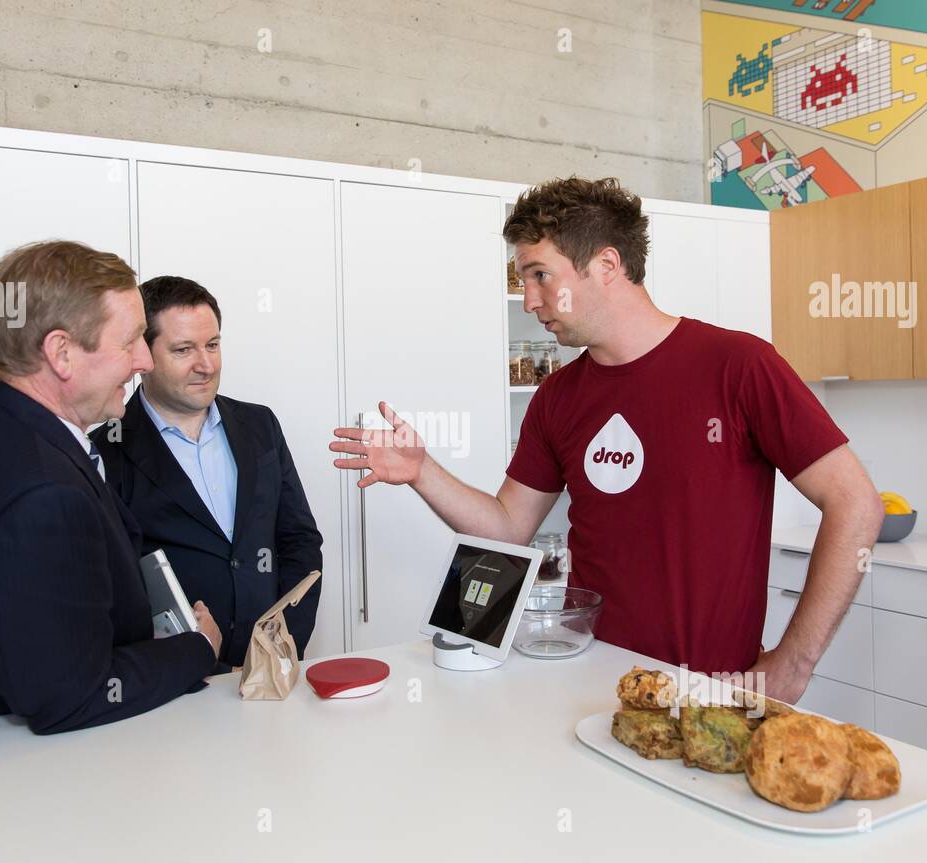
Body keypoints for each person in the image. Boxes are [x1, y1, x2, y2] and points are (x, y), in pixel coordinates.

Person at [329, 177, 883, 703]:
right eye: (522, 279)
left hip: (712, 692)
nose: (528, 300)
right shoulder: (557, 398)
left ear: (607, 265)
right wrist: (424, 472)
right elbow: (506, 527)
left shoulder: (739, 366)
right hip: (589, 682)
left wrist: (793, 663)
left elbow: (855, 501)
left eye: (540, 275)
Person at [0, 241, 223, 733]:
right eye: (130, 341)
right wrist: (196, 649)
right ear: (62, 354)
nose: (144, 362)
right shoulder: (43, 490)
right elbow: (68, 695)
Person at [93, 276, 323, 669]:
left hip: (271, 674)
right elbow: (118, 590)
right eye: (184, 349)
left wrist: (282, 647)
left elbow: (300, 541)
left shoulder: (260, 425)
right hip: (181, 683)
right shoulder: (107, 451)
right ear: (143, 356)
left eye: (213, 345)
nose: (206, 364)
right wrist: (201, 662)